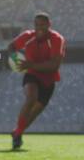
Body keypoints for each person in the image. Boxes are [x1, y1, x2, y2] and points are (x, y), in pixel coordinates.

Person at [7, 12, 66, 150]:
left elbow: (54, 65)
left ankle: (17, 132)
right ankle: (18, 137)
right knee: (31, 98)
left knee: (34, 113)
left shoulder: (57, 39)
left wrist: (30, 64)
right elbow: (11, 47)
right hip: (32, 74)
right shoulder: (28, 36)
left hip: (49, 78)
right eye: (37, 25)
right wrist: (15, 58)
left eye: (43, 24)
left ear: (49, 25)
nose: (39, 27)